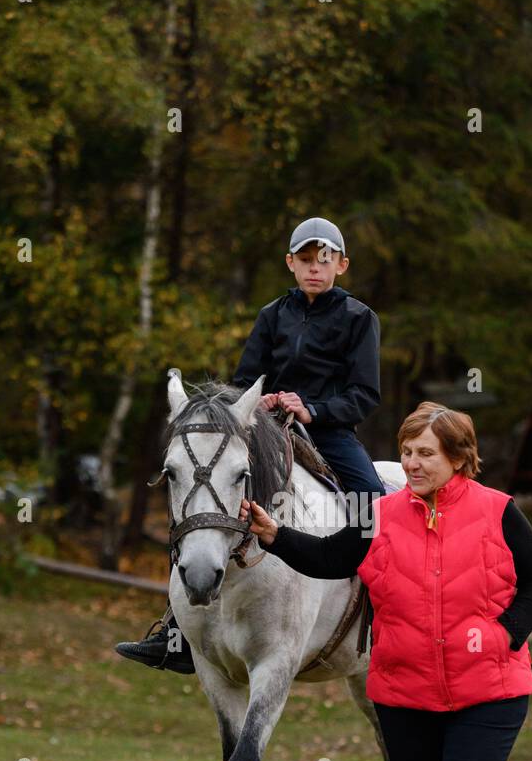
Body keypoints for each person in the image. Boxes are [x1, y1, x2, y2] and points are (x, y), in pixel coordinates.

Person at [241, 401, 532, 761]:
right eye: (407, 452)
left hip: (488, 686)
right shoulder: (381, 514)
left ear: (458, 457)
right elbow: (327, 558)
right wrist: (274, 536)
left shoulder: (498, 511)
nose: (411, 463)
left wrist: (505, 634)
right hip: (405, 687)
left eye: (425, 453)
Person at [115, 216, 386, 673]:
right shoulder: (272, 315)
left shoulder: (359, 318)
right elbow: (242, 382)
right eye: (304, 260)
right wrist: (260, 401)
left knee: (371, 504)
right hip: (261, 428)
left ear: (341, 264)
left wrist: (313, 409)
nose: (314, 268)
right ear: (290, 264)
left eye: (324, 260)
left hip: (329, 431)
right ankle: (176, 633)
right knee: (205, 501)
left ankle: (381, 612)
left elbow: (364, 395)